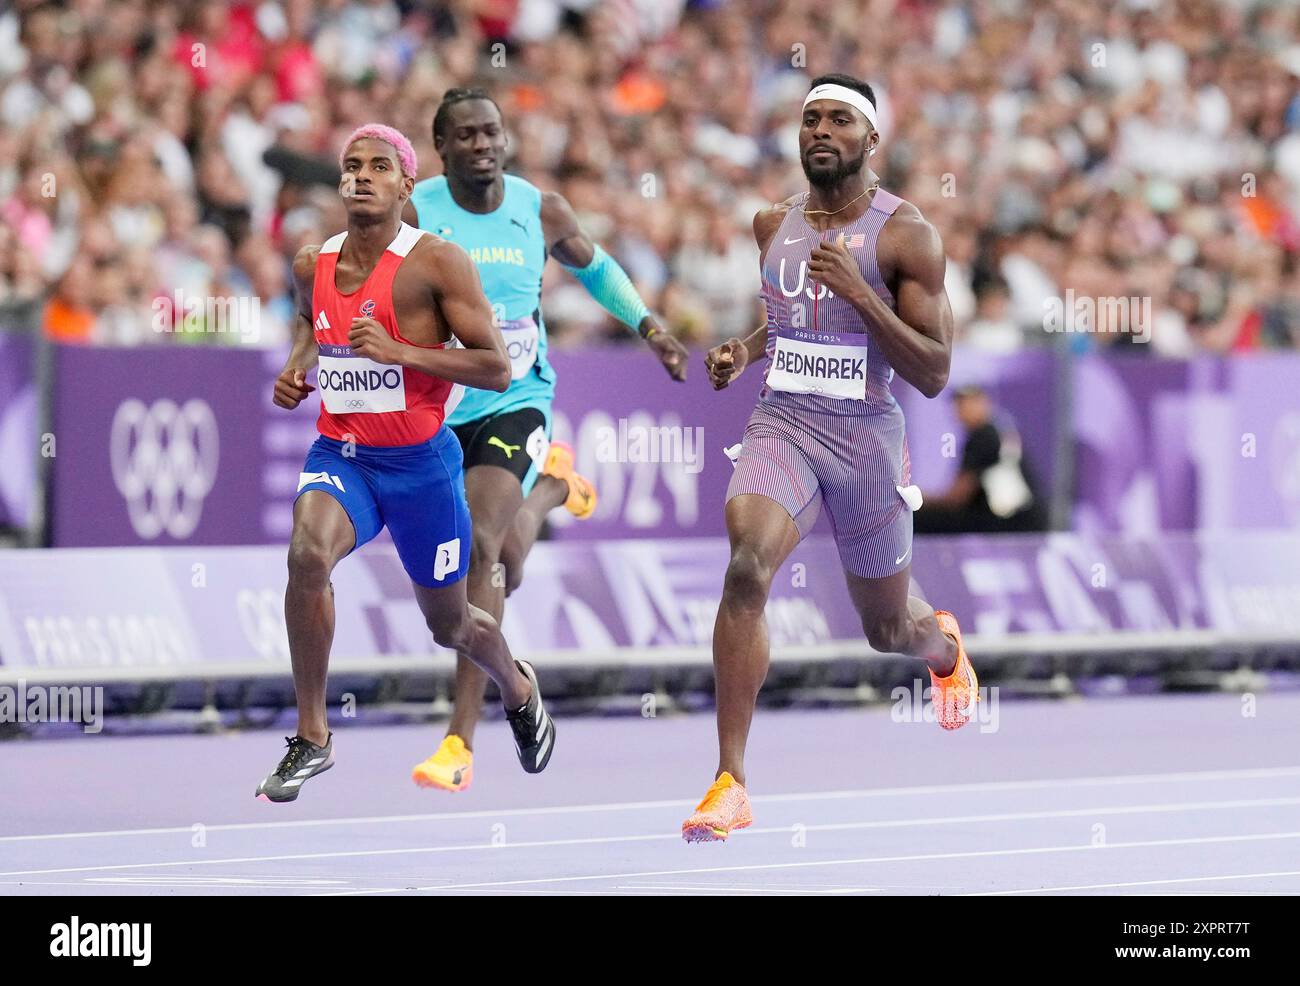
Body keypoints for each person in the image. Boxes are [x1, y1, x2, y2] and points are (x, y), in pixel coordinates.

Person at [686, 75, 978, 843]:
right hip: (783, 423)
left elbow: (933, 370)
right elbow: (788, 317)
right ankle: (731, 781)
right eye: (810, 117)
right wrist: (744, 351)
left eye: (839, 119)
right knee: (747, 566)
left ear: (871, 139)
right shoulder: (771, 222)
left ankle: (944, 651)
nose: (821, 130)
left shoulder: (906, 235)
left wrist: (864, 293)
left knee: (888, 629)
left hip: (866, 441)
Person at [255, 124, 554, 803]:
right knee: (307, 555)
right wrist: (296, 370)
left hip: (421, 467)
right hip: (344, 455)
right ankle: (313, 735)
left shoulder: (437, 263)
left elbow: (497, 369)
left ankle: (518, 688)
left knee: (451, 625)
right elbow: (312, 325)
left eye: (379, 166)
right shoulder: (314, 262)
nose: (361, 175)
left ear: (404, 184)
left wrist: (403, 352)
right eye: (351, 165)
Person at [402, 88, 688, 792]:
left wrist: (650, 327)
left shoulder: (537, 207)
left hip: (514, 399)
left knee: (478, 542)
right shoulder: (418, 212)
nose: (481, 145)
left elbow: (595, 266)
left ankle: (458, 741)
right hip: (439, 409)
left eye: (491, 132)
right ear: (442, 149)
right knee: (503, 561)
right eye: (464, 136)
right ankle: (554, 487)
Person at [914, 384, 1047, 534]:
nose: (961, 409)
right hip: (1022, 519)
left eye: (969, 402)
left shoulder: (984, 435)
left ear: (984, 403)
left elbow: (957, 497)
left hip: (1011, 521)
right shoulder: (997, 430)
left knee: (917, 518)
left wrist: (920, 499)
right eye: (959, 403)